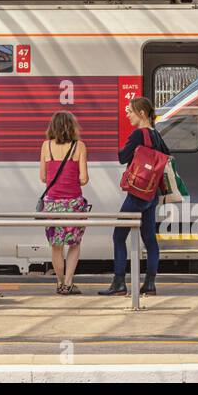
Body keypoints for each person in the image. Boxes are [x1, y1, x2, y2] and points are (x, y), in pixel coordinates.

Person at [99, 96, 168, 297]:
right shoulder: (157, 135)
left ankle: (119, 283)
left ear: (142, 113)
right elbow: (166, 157)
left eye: (130, 111)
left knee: (118, 236)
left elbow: (122, 157)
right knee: (150, 239)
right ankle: (150, 284)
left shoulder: (139, 134)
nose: (127, 114)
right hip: (152, 194)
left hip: (137, 194)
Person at [39, 111, 89, 295]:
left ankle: (60, 284)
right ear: (72, 127)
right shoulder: (79, 146)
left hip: (52, 204)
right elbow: (83, 178)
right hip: (74, 203)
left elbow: (43, 177)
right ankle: (69, 283)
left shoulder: (46, 146)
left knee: (56, 246)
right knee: (74, 244)